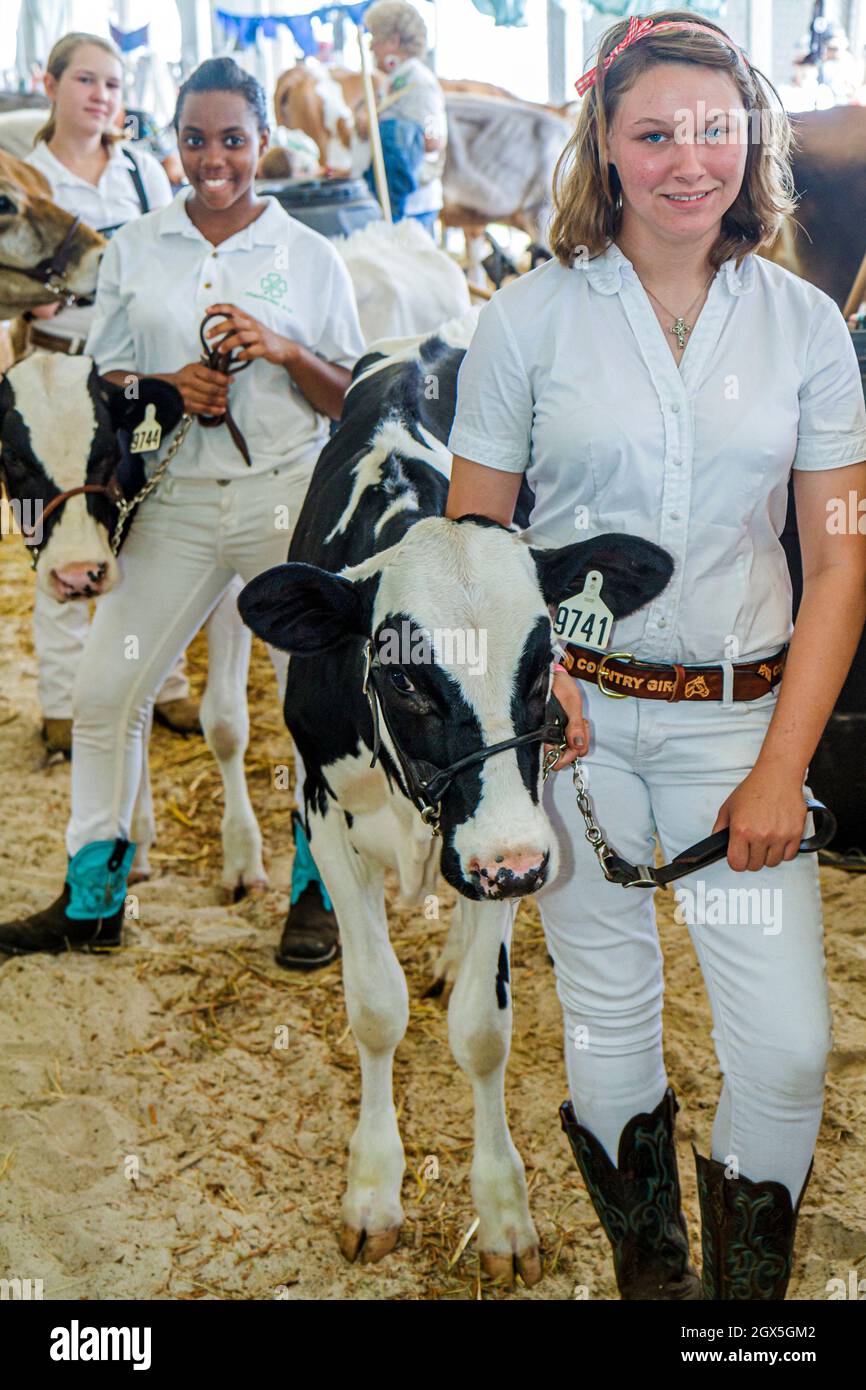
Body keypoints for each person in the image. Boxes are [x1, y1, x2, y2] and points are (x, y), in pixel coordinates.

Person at [446, 10, 866, 1300]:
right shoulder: (525, 321)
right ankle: (656, 1291)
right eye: (655, 133)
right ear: (607, 150)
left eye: (715, 129)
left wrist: (777, 768)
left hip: (740, 729)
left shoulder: (803, 327)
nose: (691, 158)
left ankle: (743, 1318)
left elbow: (840, 556)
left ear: (750, 140)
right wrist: (538, 691)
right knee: (609, 1020)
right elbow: (475, 541)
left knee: (786, 1049)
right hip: (573, 730)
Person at [0, 57, 365, 970]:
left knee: (312, 702)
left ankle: (319, 894)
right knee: (104, 694)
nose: (214, 159)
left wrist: (281, 349)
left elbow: (352, 396)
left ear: (262, 143)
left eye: (233, 140)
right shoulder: (137, 246)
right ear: (173, 142)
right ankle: (93, 902)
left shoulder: (307, 256)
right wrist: (171, 385)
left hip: (284, 498)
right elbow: (110, 380)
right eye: (196, 140)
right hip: (171, 506)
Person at [23, 32, 198, 753]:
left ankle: (167, 682)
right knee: (61, 527)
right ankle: (63, 701)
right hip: (55, 373)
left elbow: (176, 247)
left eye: (113, 85)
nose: (101, 96)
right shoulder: (23, 176)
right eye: (86, 80)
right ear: (49, 84)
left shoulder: (139, 171)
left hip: (132, 377)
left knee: (148, 520)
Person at [359, 0, 446, 232]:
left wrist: (393, 131)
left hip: (413, 206)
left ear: (393, 41)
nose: (370, 47)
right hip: (400, 204)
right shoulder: (395, 81)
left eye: (374, 39)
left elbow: (434, 136)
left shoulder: (419, 81)